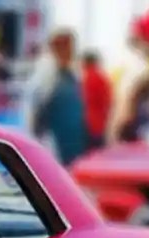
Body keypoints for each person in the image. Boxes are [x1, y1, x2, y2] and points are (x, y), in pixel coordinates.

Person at [29, 29, 88, 166]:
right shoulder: (46, 74)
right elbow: (37, 110)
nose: (69, 51)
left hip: (75, 141)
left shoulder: (72, 73)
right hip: (54, 142)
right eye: (63, 46)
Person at [81, 51, 113, 150]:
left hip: (91, 124)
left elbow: (84, 100)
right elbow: (108, 101)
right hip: (101, 123)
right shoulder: (102, 78)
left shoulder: (89, 78)